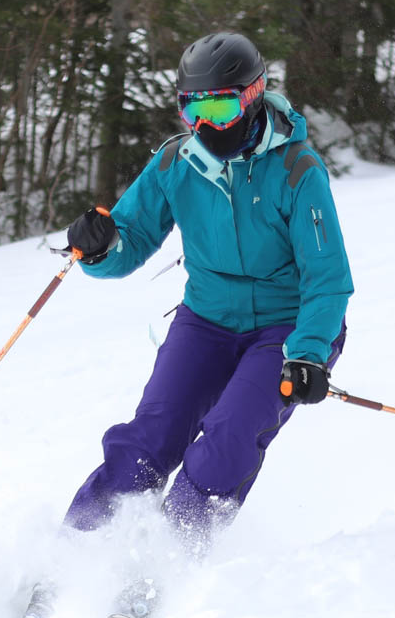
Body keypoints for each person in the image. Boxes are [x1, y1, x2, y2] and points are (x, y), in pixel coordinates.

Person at [60, 31, 353, 566]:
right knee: (150, 438)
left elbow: (327, 278)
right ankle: (75, 555)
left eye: (220, 108)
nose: (206, 125)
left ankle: (168, 561)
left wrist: (310, 352)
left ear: (252, 96)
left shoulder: (297, 169)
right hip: (206, 323)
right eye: (193, 110)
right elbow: (130, 241)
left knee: (228, 438)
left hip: (285, 330)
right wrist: (100, 247)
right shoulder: (177, 162)